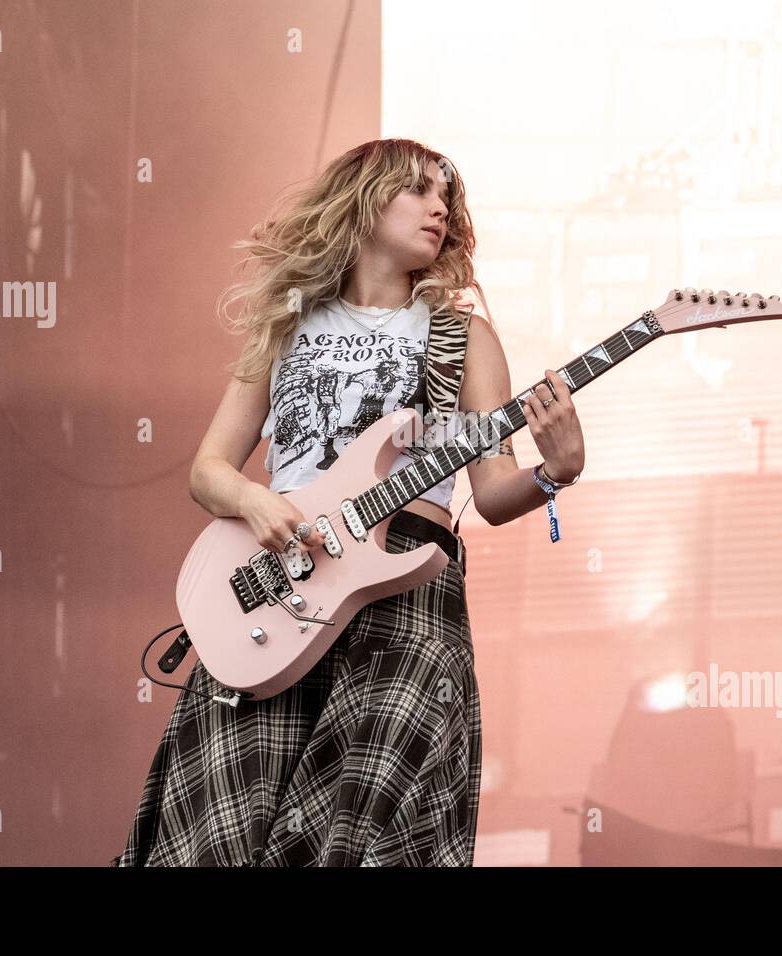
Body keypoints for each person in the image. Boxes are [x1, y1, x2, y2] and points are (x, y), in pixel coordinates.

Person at [114, 138, 586, 866]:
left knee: (369, 835)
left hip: (406, 594)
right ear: (366, 200)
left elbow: (492, 492)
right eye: (419, 191)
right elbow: (208, 470)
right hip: (279, 583)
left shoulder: (462, 338)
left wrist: (556, 473)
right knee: (227, 834)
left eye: (446, 199)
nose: (439, 209)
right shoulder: (286, 329)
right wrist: (255, 500)